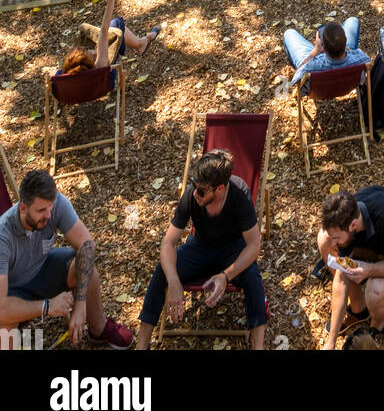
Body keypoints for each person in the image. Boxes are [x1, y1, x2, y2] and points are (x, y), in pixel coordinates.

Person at [136, 148, 267, 350]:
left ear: (220, 188)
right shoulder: (192, 195)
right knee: (163, 270)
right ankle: (142, 345)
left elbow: (254, 245)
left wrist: (225, 275)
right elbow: (168, 243)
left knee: (253, 278)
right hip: (200, 246)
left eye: (202, 190)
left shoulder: (239, 194)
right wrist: (174, 282)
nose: (196, 193)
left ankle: (258, 347)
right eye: (194, 186)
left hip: (233, 249)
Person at [0, 167, 132, 348]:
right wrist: (47, 306)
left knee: (84, 266)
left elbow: (87, 245)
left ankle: (99, 328)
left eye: (50, 208)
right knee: (5, 328)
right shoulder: (2, 235)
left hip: (42, 269)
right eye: (40, 210)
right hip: (12, 290)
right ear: (23, 208)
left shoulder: (55, 203)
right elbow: (1, 308)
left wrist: (80, 304)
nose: (48, 215)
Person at [317, 187, 384, 348]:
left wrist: (368, 269)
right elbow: (341, 279)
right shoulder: (346, 214)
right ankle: (358, 309)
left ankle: (378, 326)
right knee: (324, 240)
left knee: (375, 290)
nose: (335, 243)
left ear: (353, 225)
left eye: (337, 238)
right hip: (375, 248)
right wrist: (330, 342)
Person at [59, 0, 160, 86]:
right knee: (116, 24)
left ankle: (140, 43)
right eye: (91, 55)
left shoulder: (63, 80)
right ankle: (140, 44)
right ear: (90, 63)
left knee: (112, 29)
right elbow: (104, 30)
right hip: (105, 83)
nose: (93, 52)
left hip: (86, 91)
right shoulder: (99, 66)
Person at [283, 18, 369, 94]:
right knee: (353, 20)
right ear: (345, 41)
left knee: (289, 33)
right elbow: (367, 61)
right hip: (349, 82)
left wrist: (315, 51)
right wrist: (343, 47)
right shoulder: (361, 60)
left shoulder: (311, 68)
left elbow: (296, 77)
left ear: (323, 48)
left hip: (320, 89)